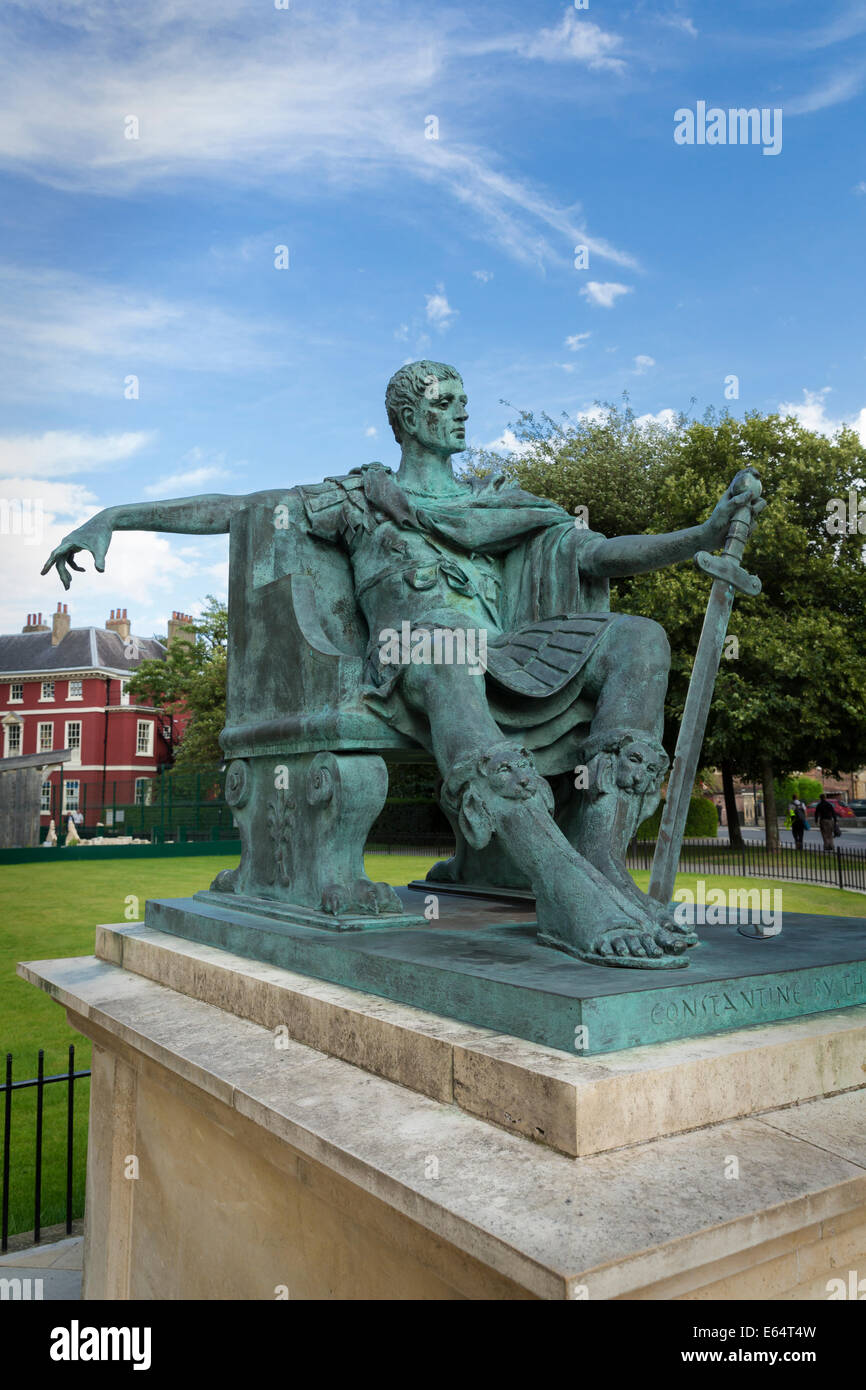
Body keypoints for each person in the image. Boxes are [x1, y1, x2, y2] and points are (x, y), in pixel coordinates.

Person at [41, 360, 763, 969]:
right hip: (409, 658)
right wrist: (117, 515)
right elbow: (242, 509)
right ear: (407, 420)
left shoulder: (500, 509)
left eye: (464, 404)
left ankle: (598, 857)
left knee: (637, 637)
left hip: (502, 657)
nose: (460, 416)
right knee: (444, 646)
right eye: (444, 403)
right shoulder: (359, 500)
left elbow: (598, 554)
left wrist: (701, 533)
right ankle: (561, 886)